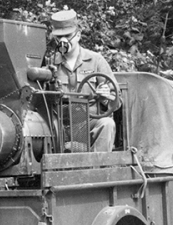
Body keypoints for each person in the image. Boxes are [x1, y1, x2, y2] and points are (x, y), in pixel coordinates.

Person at [45, 8, 118, 152]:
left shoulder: (95, 60)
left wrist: (105, 97)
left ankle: (97, 170)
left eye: (67, 36)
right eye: (59, 38)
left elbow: (118, 101)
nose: (63, 41)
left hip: (89, 122)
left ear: (78, 35)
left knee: (107, 124)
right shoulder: (50, 64)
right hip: (60, 126)